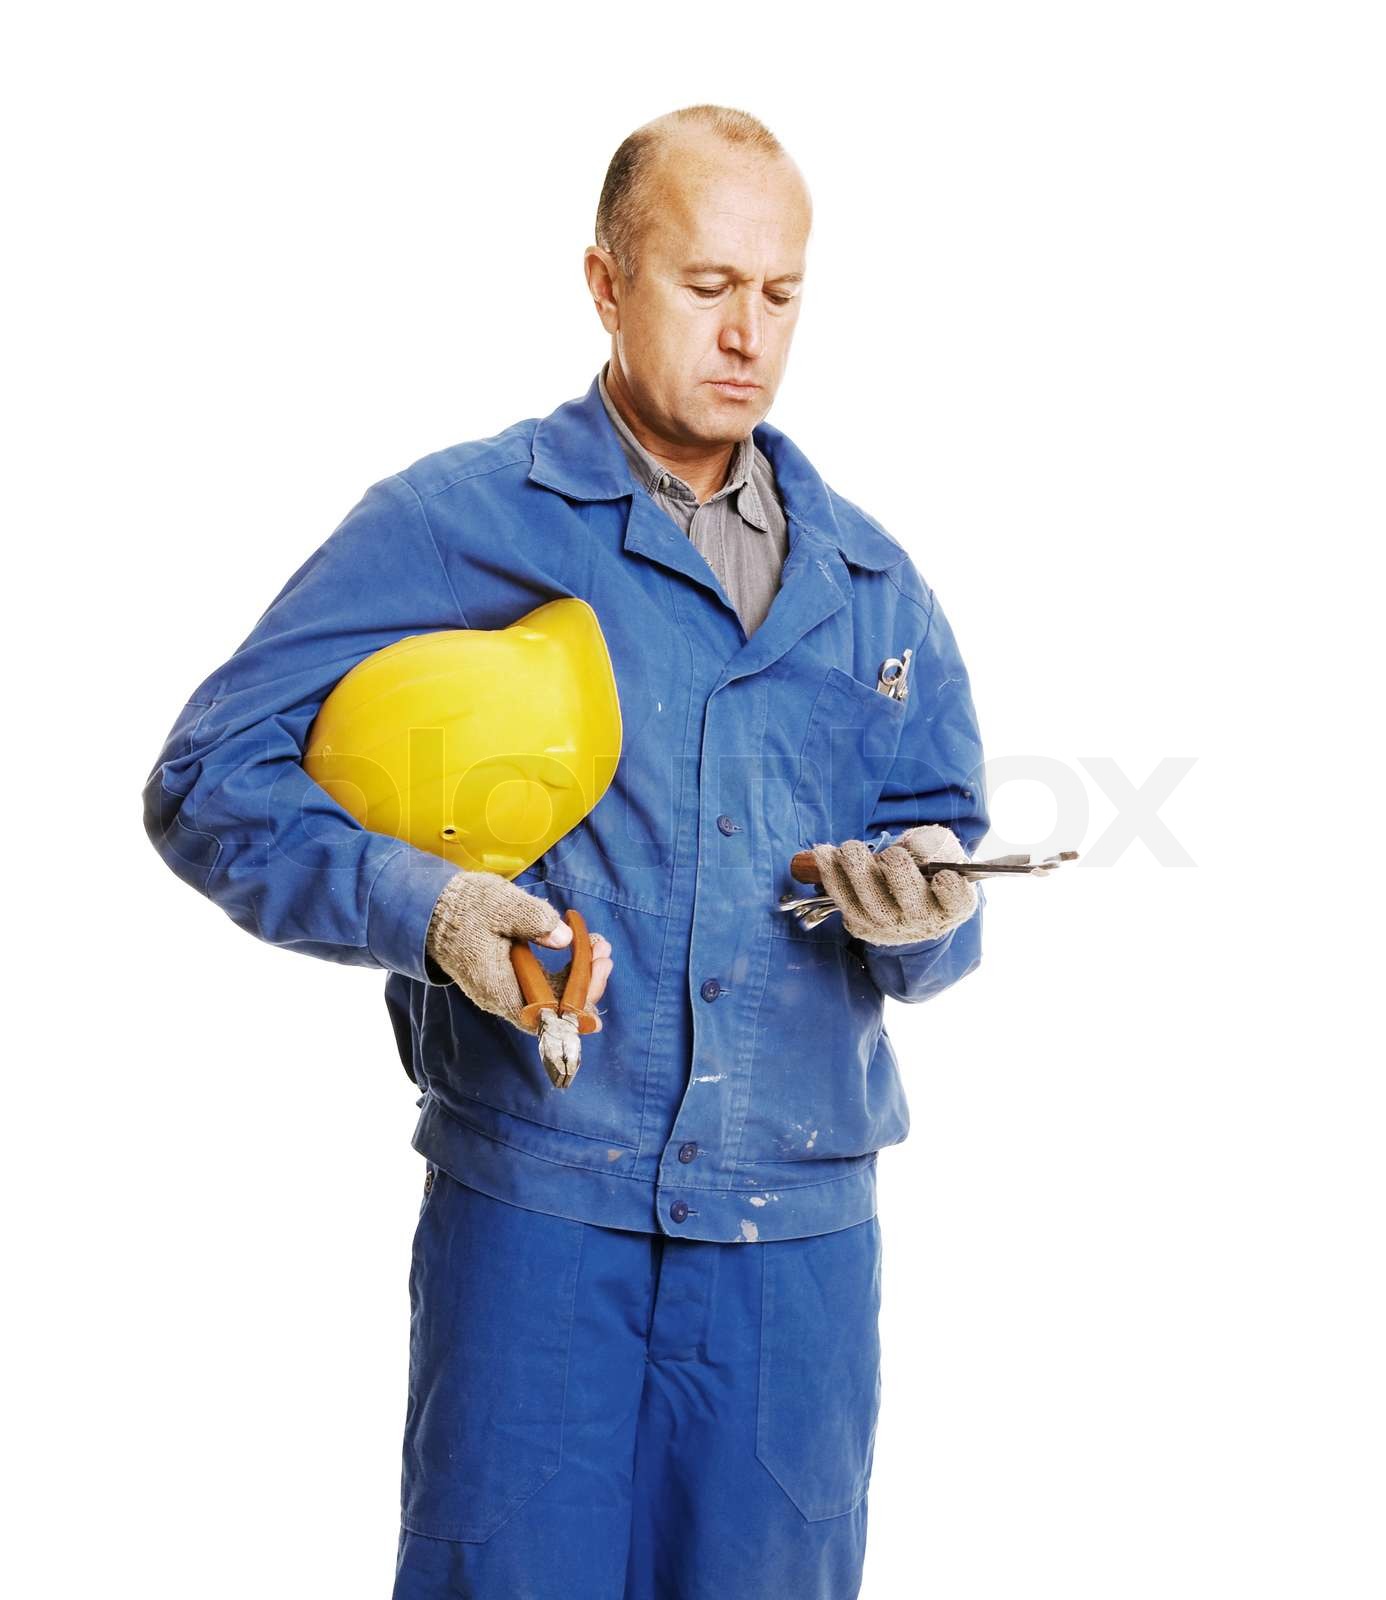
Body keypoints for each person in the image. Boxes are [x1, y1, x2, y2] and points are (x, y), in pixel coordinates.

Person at [142, 103, 990, 1600]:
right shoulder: (464, 520)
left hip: (793, 1246)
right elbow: (211, 774)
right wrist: (430, 906)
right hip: (541, 1215)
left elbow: (951, 871)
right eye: (705, 286)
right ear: (605, 283)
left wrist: (917, 902)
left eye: (781, 295)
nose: (748, 335)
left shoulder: (870, 585)